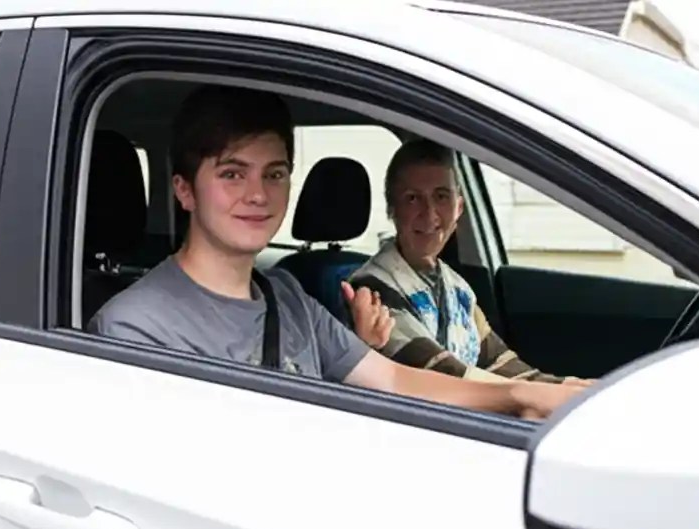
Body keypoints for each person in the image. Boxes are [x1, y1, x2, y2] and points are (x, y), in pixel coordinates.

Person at [89, 84, 584, 419]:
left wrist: (522, 393)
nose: (259, 195)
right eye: (232, 174)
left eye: (275, 174)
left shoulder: (287, 297)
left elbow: (392, 379)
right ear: (184, 190)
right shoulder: (136, 328)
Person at [347, 139, 590, 386]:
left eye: (441, 197)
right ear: (392, 209)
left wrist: (567, 385)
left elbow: (499, 362)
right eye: (412, 199)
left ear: (459, 208)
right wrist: (540, 394)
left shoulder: (457, 288)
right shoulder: (372, 289)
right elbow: (442, 372)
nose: (429, 213)